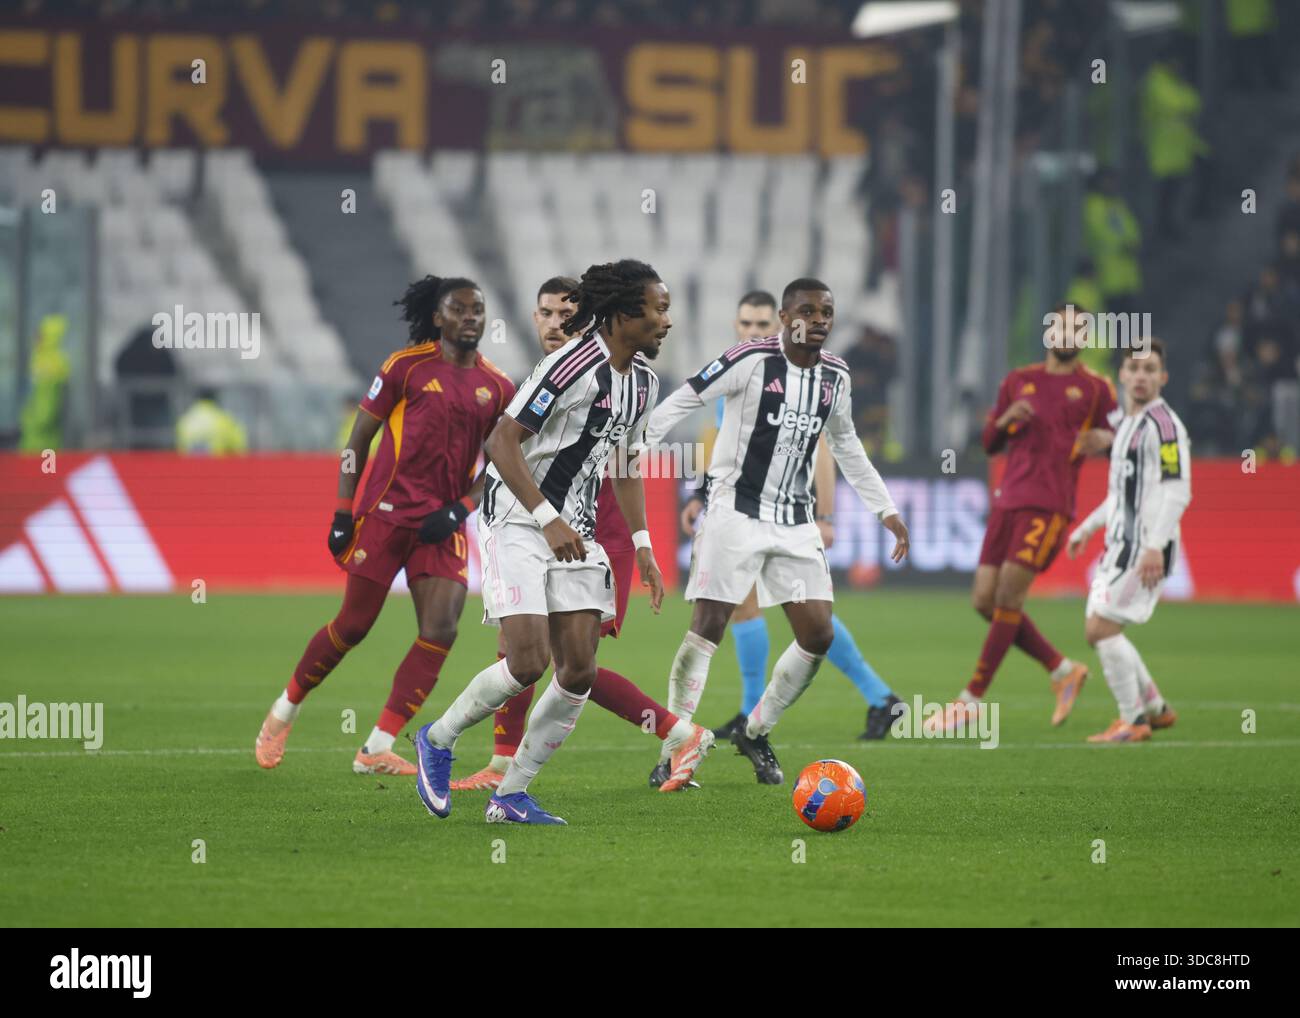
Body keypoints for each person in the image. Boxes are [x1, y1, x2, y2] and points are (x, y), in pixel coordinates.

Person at [414, 259, 711, 825]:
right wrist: (548, 517)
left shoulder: (644, 381)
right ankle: (438, 737)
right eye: (659, 309)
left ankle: (512, 794)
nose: (667, 321)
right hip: (519, 518)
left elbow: (624, 461)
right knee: (527, 660)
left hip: (574, 526)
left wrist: (643, 543)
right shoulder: (570, 365)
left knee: (577, 670)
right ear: (625, 314)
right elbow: (502, 441)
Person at [646, 278, 909, 784]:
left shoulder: (835, 374)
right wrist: (636, 443)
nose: (820, 320)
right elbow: (688, 396)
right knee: (708, 627)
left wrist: (886, 510)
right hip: (734, 515)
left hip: (794, 520)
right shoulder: (750, 358)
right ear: (787, 316)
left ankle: (755, 729)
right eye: (808, 311)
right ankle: (671, 751)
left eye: (828, 312)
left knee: (818, 632)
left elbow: (847, 444)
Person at [254, 275, 514, 775]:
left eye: (477, 309)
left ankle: (376, 746)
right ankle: (284, 710)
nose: (470, 318)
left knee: (441, 628)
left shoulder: (498, 387)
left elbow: (503, 463)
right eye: (459, 310)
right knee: (352, 626)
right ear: (438, 319)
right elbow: (357, 443)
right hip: (385, 515)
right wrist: (341, 512)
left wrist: (460, 509)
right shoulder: (405, 367)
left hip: (442, 524)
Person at [926, 304, 1117, 734]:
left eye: (1077, 329)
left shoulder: (1096, 390)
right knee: (984, 601)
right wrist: (1006, 420)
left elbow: (1124, 440)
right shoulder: (1018, 381)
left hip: (1048, 504)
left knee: (1008, 600)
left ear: (1085, 339)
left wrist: (1109, 436)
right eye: (1061, 327)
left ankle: (969, 701)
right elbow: (991, 442)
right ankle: (1062, 669)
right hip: (1007, 500)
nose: (1067, 335)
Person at [1066, 340, 1188, 741]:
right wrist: (1087, 527)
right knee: (1101, 627)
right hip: (1119, 545)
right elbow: (1121, 493)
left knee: (1100, 629)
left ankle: (1133, 719)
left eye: (1150, 369)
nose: (1141, 376)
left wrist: (1155, 545)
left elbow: (1177, 490)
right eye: (1134, 368)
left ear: (1163, 378)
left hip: (1144, 548)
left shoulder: (1164, 428)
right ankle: (1155, 708)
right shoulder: (1129, 425)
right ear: (1121, 373)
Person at [19, 314, 71, 453]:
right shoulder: (40, 357)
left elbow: (48, 399)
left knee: (44, 469)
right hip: (35, 426)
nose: (36, 337)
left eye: (40, 334)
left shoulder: (50, 362)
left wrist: (35, 420)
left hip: (41, 429)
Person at [175, 388, 248, 456]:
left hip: (191, 467)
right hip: (217, 467)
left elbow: (181, 449)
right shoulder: (223, 419)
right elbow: (239, 448)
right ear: (215, 399)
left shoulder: (185, 420)